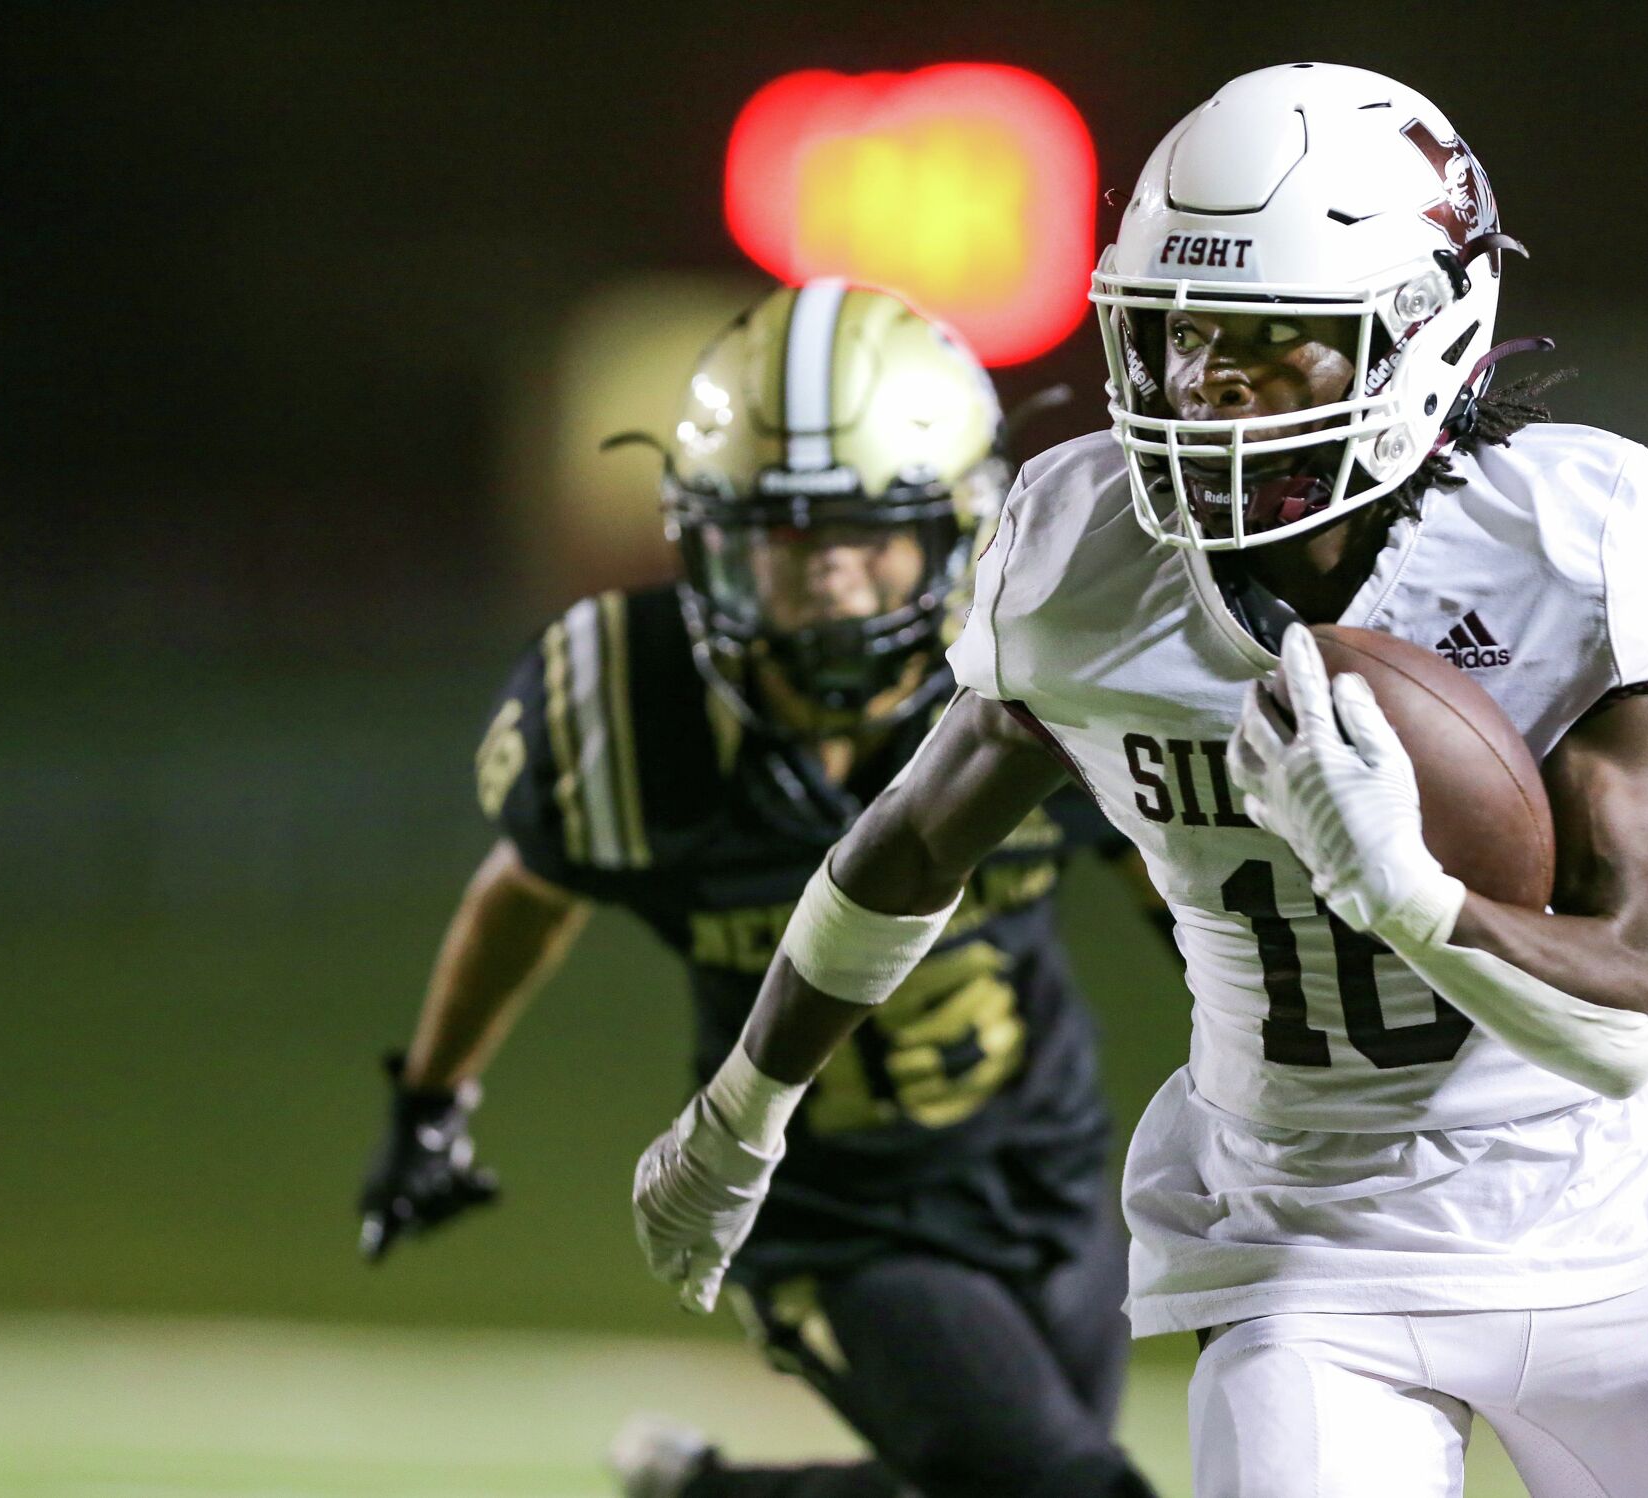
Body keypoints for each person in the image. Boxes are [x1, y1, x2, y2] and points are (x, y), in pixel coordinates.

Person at [630, 66, 1648, 1497]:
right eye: (1184, 332)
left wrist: (1407, 894)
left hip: (1611, 1242)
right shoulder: (1082, 552)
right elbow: (905, 849)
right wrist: (740, 1114)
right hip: (1301, 1257)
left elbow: (1625, 1017)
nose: (1208, 382)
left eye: (1271, 338)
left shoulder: (1564, 544)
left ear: (1420, 335)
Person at [357, 280, 1160, 1498]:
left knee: (992, 1485)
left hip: (1049, 1171)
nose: (828, 583)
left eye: (864, 537)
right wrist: (431, 1099)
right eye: (784, 541)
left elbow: (1181, 886)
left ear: (960, 530)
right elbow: (526, 892)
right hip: (831, 1217)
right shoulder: (628, 706)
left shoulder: (1030, 674)